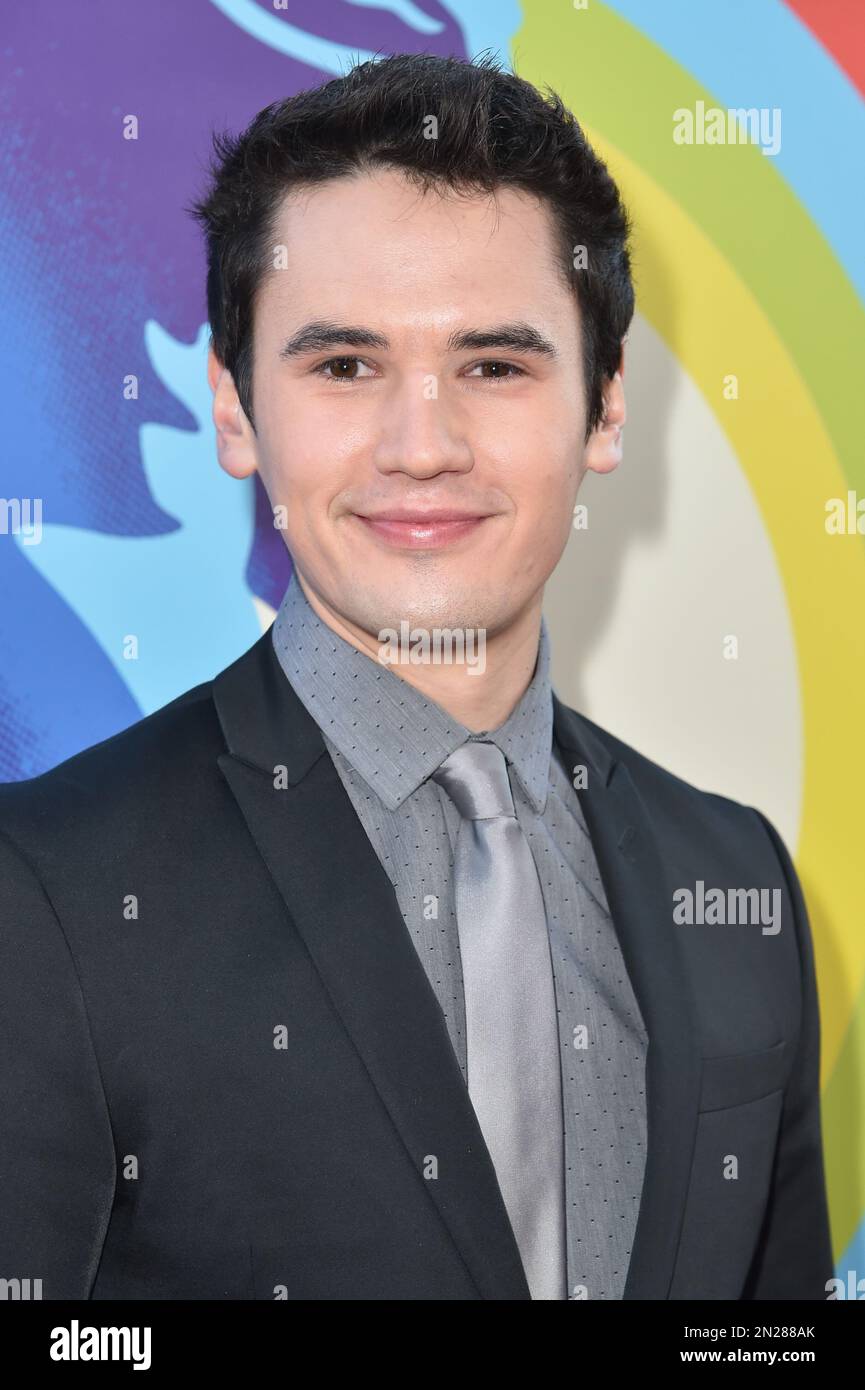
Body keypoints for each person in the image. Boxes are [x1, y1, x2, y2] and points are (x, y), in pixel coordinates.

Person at [0, 52, 832, 1300]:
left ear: (606, 407)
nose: (423, 444)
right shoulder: (46, 892)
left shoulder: (736, 880)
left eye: (494, 365)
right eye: (344, 366)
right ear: (233, 409)